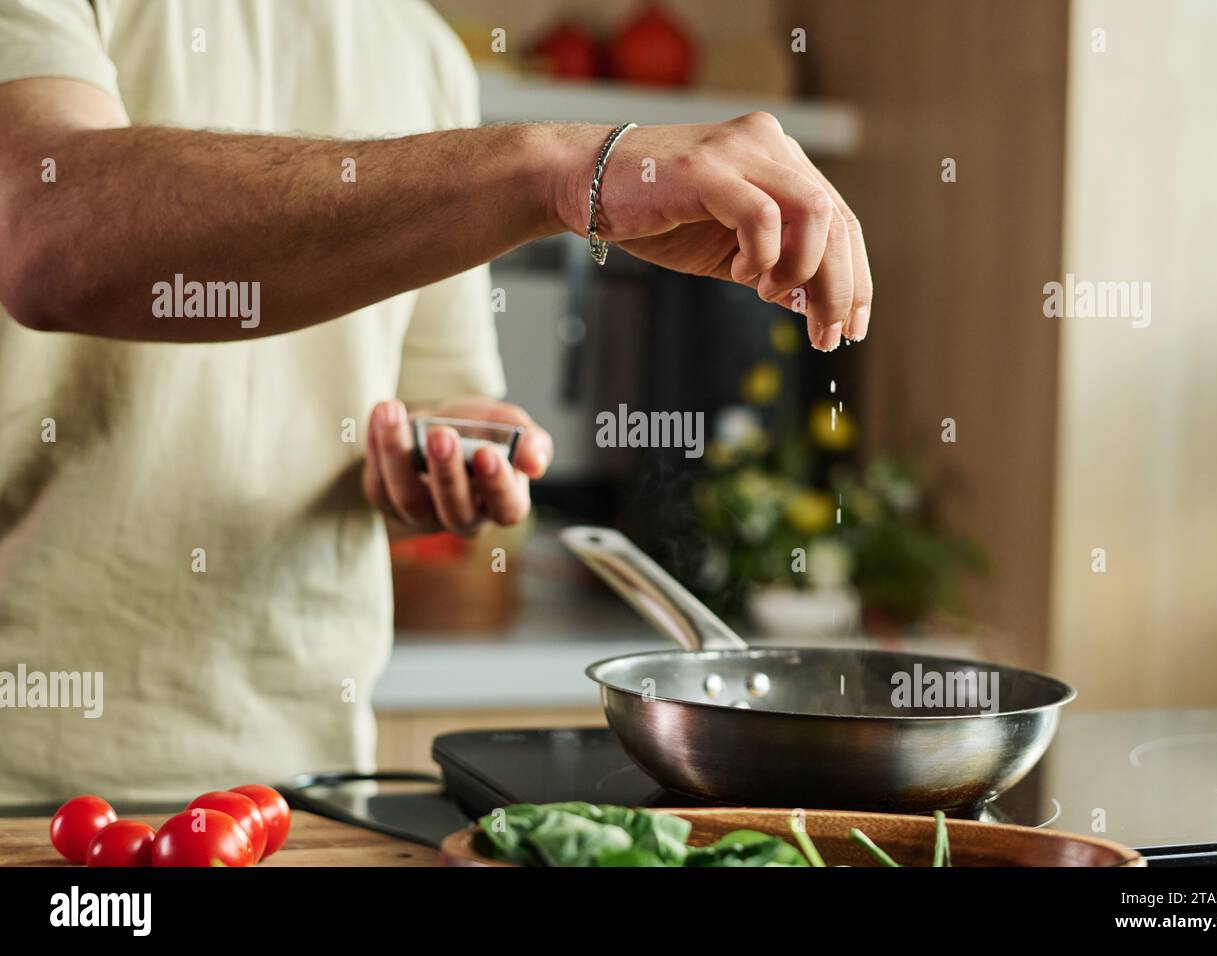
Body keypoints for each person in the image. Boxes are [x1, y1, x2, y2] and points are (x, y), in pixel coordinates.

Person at [0, 0, 871, 803]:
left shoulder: (413, 44)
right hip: (25, 782)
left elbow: (430, 404)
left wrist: (442, 466)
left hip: (298, 777)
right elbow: (48, 232)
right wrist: (560, 169)